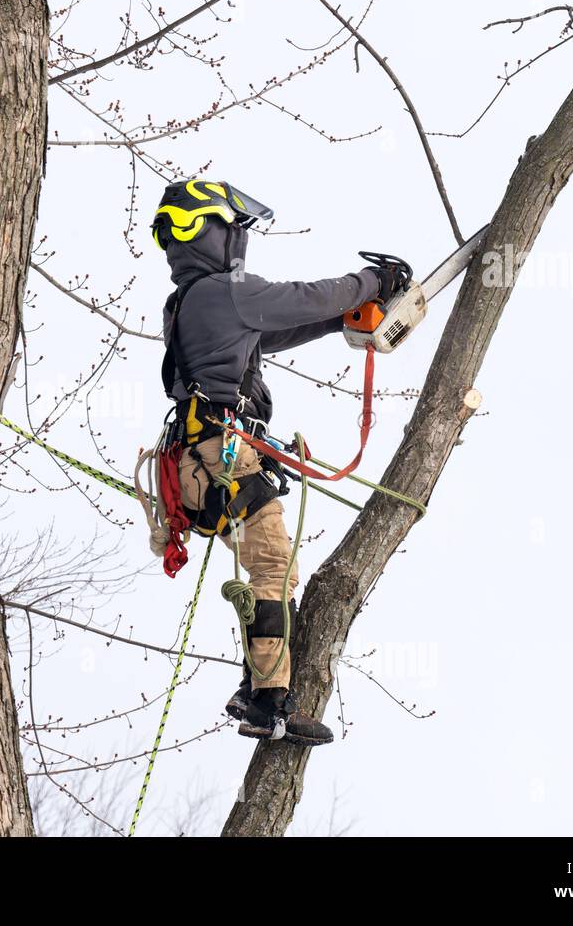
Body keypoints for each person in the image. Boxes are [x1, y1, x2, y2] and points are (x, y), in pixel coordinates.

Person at [153, 178, 399, 744]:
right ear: (212, 232)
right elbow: (304, 297)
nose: (242, 241)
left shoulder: (192, 302)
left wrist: (348, 319)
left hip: (201, 461)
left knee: (270, 569)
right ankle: (267, 701)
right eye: (235, 230)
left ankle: (258, 689)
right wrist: (372, 281)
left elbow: (282, 328)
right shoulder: (224, 290)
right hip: (221, 458)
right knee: (274, 569)